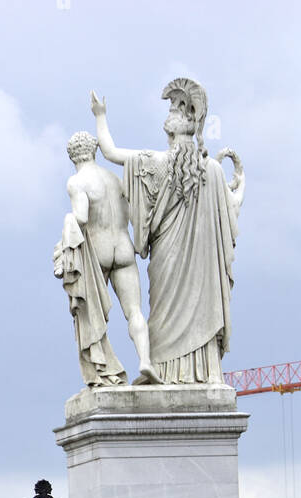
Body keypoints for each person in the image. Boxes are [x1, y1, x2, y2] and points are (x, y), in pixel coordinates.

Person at [91, 79, 245, 384]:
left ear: (185, 118)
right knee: (178, 309)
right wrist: (241, 180)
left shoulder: (158, 162)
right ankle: (199, 372)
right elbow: (231, 211)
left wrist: (100, 115)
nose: (169, 112)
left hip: (169, 260)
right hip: (181, 264)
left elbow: (109, 152)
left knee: (164, 313)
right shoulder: (212, 172)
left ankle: (172, 372)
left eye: (174, 107)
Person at [53, 131, 158, 387]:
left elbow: (81, 217)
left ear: (72, 156)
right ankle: (145, 360)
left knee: (92, 314)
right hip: (123, 246)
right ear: (94, 151)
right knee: (134, 311)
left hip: (98, 250)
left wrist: (64, 235)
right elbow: (133, 214)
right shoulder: (115, 179)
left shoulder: (77, 182)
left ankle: (103, 371)